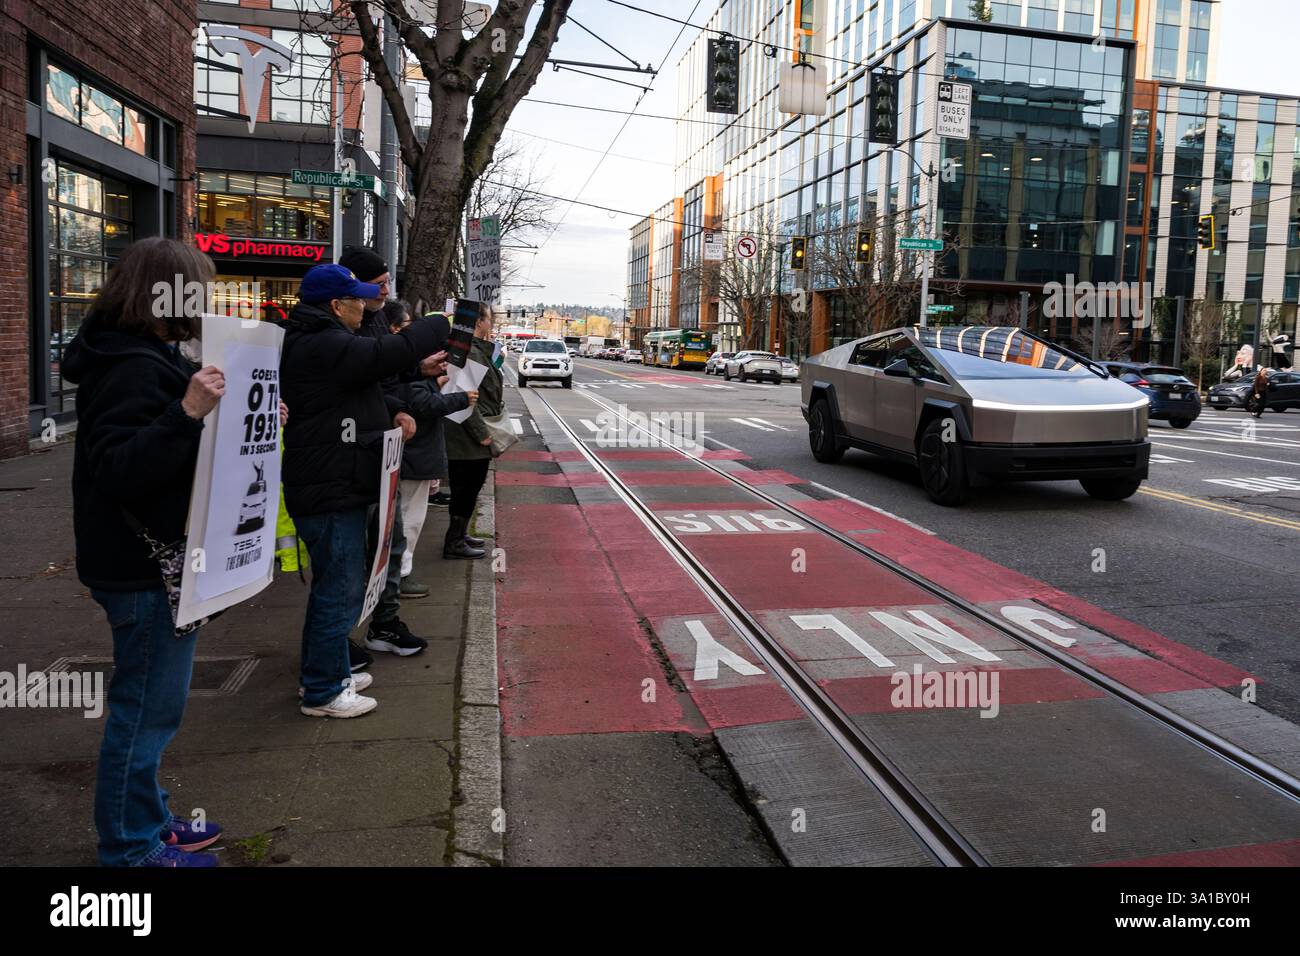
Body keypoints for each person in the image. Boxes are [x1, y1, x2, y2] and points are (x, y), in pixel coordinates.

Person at [65, 237, 230, 867]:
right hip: (142, 567)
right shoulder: (132, 366)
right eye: (198, 287)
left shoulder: (135, 355)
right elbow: (119, 469)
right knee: (143, 713)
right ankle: (130, 850)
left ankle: (150, 820)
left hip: (146, 562)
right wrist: (188, 411)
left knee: (152, 707)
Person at [277, 263, 440, 718]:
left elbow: (356, 394)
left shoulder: (318, 341)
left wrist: (392, 411)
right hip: (330, 485)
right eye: (358, 300)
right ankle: (323, 690)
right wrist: (439, 325)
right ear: (336, 305)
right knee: (340, 589)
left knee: (338, 586)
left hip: (336, 479)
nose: (365, 307)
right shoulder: (323, 342)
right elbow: (384, 356)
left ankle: (328, 672)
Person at [337, 246, 436, 660]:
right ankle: (337, 638)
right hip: (349, 459)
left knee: (389, 541)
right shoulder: (341, 334)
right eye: (377, 286)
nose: (384, 291)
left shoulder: (374, 321)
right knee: (351, 554)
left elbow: (384, 378)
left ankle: (383, 622)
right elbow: (365, 376)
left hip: (381, 452)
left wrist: (410, 384)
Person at [381, 300, 476, 588]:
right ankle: (399, 574)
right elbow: (419, 402)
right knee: (408, 517)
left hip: (414, 452)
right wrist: (461, 398)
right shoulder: (402, 361)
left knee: (406, 515)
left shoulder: (409, 364)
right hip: (413, 453)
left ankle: (397, 572)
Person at [442, 303, 502, 559]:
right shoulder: (471, 353)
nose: (492, 323)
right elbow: (465, 396)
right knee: (466, 485)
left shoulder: (475, 350)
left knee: (468, 485)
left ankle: (459, 534)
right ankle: (454, 541)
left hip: (465, 431)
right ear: (479, 322)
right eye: (489, 319)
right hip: (466, 434)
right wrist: (482, 434)